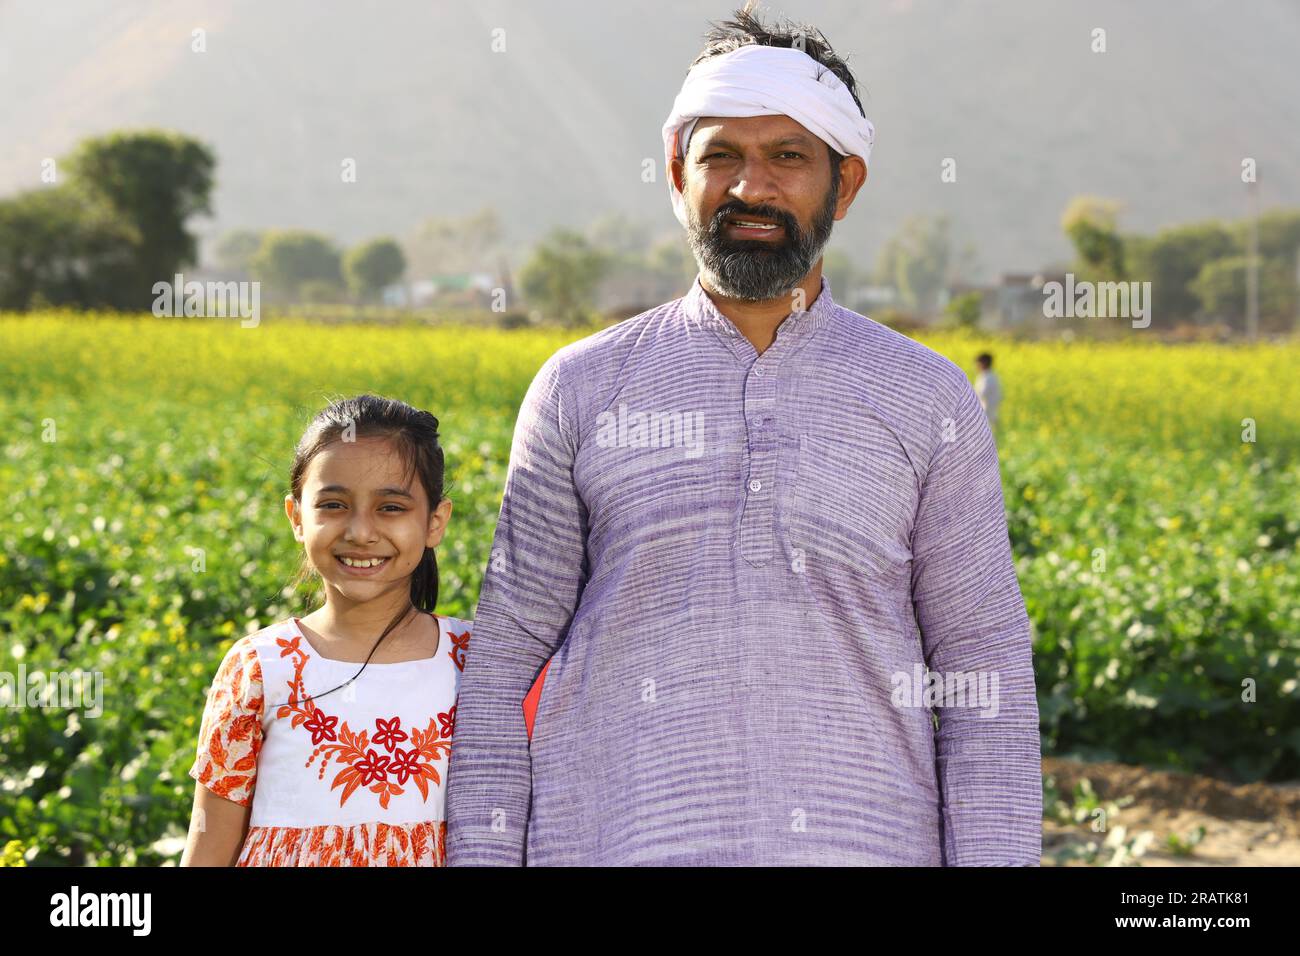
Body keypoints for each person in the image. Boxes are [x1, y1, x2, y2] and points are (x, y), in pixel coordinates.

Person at [446, 6, 1040, 866]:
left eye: (788, 157)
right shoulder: (579, 387)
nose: (750, 187)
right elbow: (503, 663)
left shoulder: (929, 399)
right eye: (721, 154)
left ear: (846, 183)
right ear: (676, 172)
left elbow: (980, 667)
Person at [180, 394, 471, 866]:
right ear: (297, 518)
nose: (360, 532)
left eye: (391, 508)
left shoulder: (474, 661)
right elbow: (208, 846)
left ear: (435, 521)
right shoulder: (261, 667)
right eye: (334, 504)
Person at [975, 352, 1003, 428]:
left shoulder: (987, 378)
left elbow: (981, 394)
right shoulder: (993, 376)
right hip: (991, 413)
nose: (976, 366)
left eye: (978, 363)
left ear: (983, 363)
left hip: (986, 414)